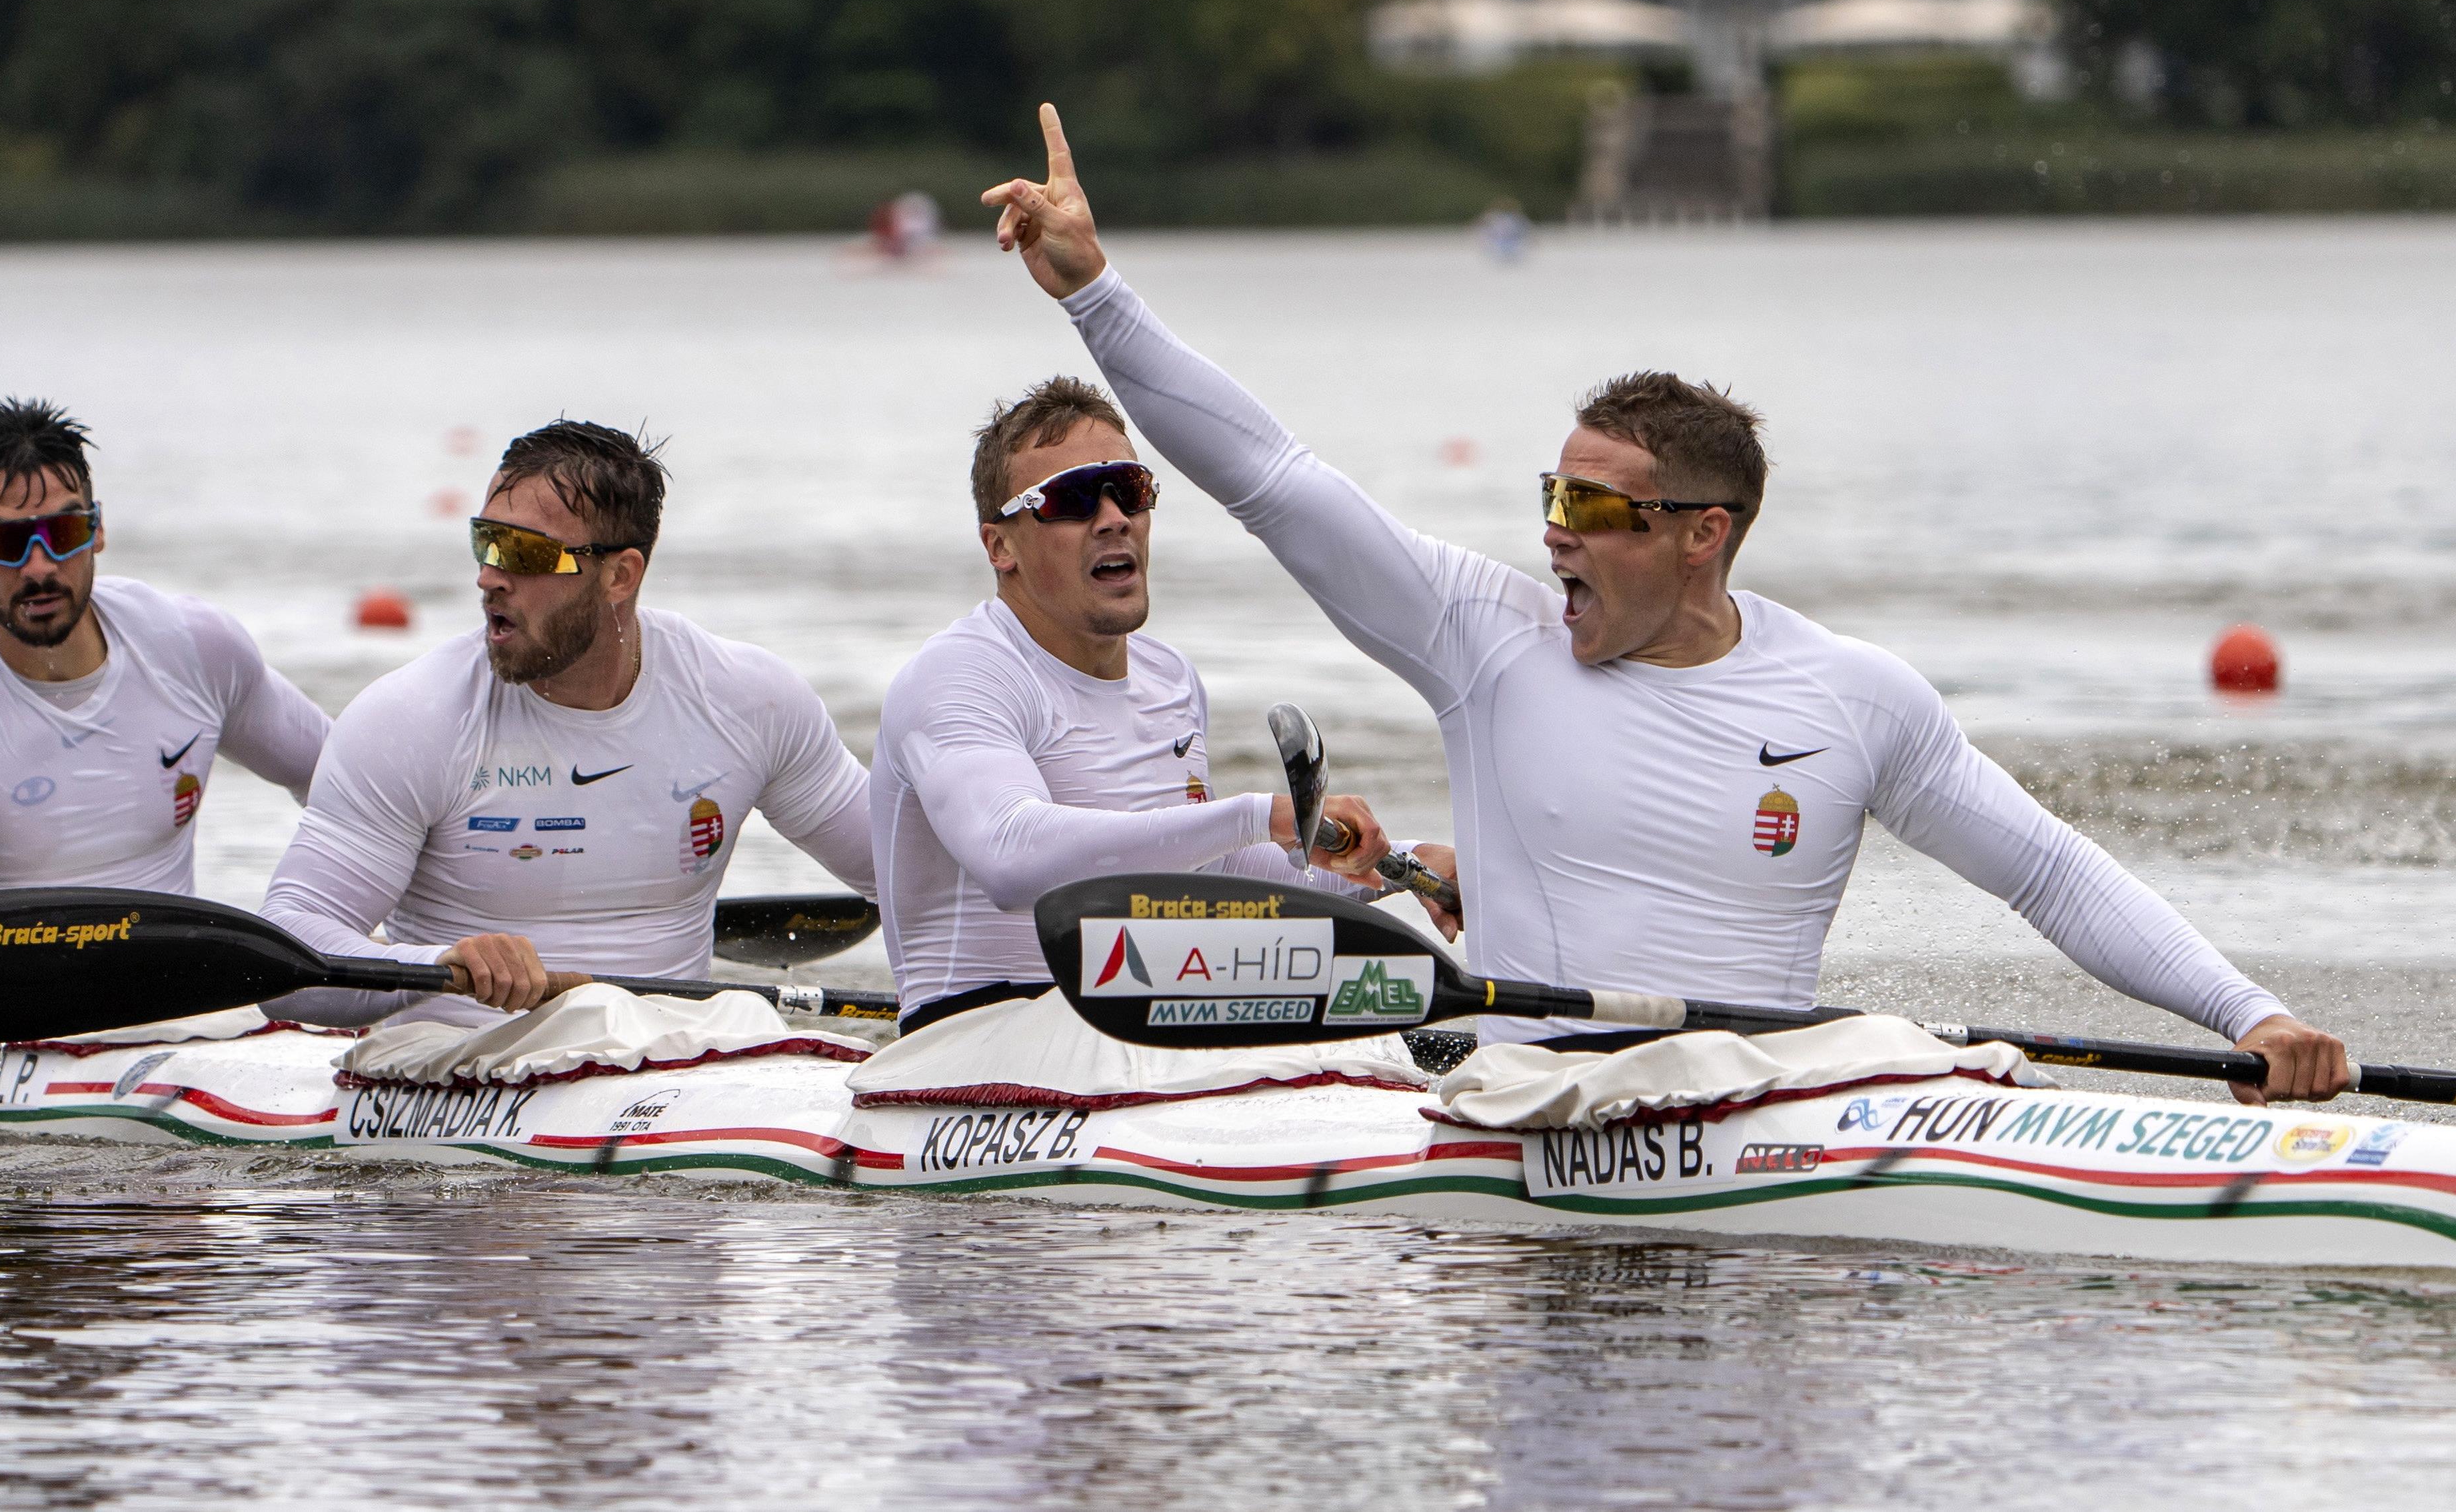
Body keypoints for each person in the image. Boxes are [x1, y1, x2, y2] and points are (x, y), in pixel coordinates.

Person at [981, 105, 2349, 1104]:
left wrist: (2254, 1012)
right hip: (1540, 1099)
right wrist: (1096, 295)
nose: (1549, 537)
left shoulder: (1853, 697)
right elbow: (1272, 476)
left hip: (1774, 1093)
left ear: (1704, 536)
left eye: (1593, 512)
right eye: (1550, 497)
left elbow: (2045, 870)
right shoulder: (1483, 638)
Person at [258, 420, 875, 1027]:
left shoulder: (748, 701)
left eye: (525, 551)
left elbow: (914, 880)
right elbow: (288, 954)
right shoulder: (410, 719)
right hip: (455, 1066)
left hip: (676, 1061)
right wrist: (438, 963)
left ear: (620, 575)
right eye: (486, 541)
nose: (489, 575)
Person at [870, 374, 1408, 1033]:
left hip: (1139, 1027)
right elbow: (1010, 859)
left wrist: (1396, 866)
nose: (1113, 519)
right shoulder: (958, 675)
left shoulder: (1170, 678)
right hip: (972, 1042)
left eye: (1128, 490)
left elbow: (1214, 862)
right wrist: (1254, 815)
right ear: (999, 545)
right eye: (1070, 501)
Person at [0, 398, 329, 925]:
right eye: (7, 540)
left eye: (63, 532)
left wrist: (330, 916)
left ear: (97, 530)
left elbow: (354, 783)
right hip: (1, 996)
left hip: (173, 994)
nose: (39, 566)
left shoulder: (195, 647)